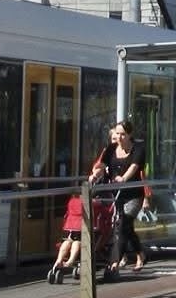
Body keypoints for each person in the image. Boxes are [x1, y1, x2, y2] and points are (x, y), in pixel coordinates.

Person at [46, 146, 116, 284]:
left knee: (74, 242)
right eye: (96, 171)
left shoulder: (106, 185)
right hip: (78, 224)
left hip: (91, 222)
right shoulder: (89, 183)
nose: (97, 173)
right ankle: (60, 261)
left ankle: (69, 261)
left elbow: (107, 200)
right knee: (68, 243)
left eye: (100, 171)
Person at [95, 120, 146, 272]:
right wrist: (95, 175)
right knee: (126, 227)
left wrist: (124, 178)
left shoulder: (138, 148)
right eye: (117, 133)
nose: (119, 137)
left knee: (122, 225)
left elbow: (134, 167)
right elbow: (101, 165)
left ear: (130, 135)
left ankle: (114, 262)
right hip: (117, 194)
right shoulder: (111, 148)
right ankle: (141, 254)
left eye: (123, 134)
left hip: (133, 194)